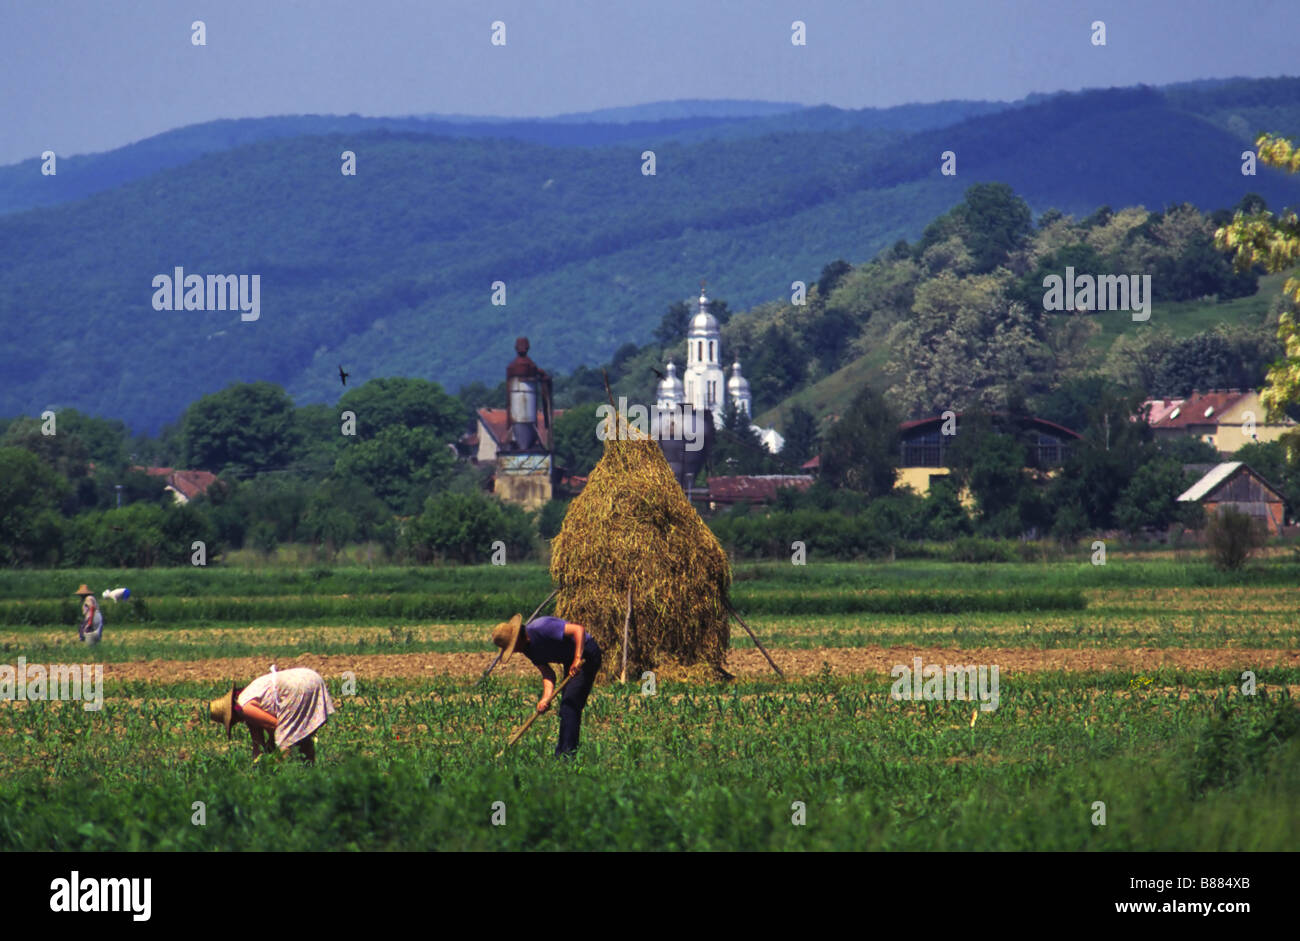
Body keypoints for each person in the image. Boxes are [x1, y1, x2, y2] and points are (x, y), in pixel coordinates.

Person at [491, 612, 602, 756]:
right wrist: (546, 698)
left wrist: (577, 658)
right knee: (566, 706)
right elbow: (548, 673)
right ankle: (562, 753)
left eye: (512, 647)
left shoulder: (542, 627)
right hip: (571, 659)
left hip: (585, 654)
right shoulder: (528, 649)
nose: (515, 651)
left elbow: (578, 630)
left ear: (518, 637)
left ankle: (567, 756)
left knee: (570, 704)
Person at [208, 667, 336, 764]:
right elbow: (257, 744)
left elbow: (276, 725)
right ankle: (310, 770)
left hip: (296, 688)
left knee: (285, 743)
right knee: (303, 737)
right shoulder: (247, 696)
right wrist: (259, 756)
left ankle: (278, 779)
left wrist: (272, 748)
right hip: (311, 676)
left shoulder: (244, 707)